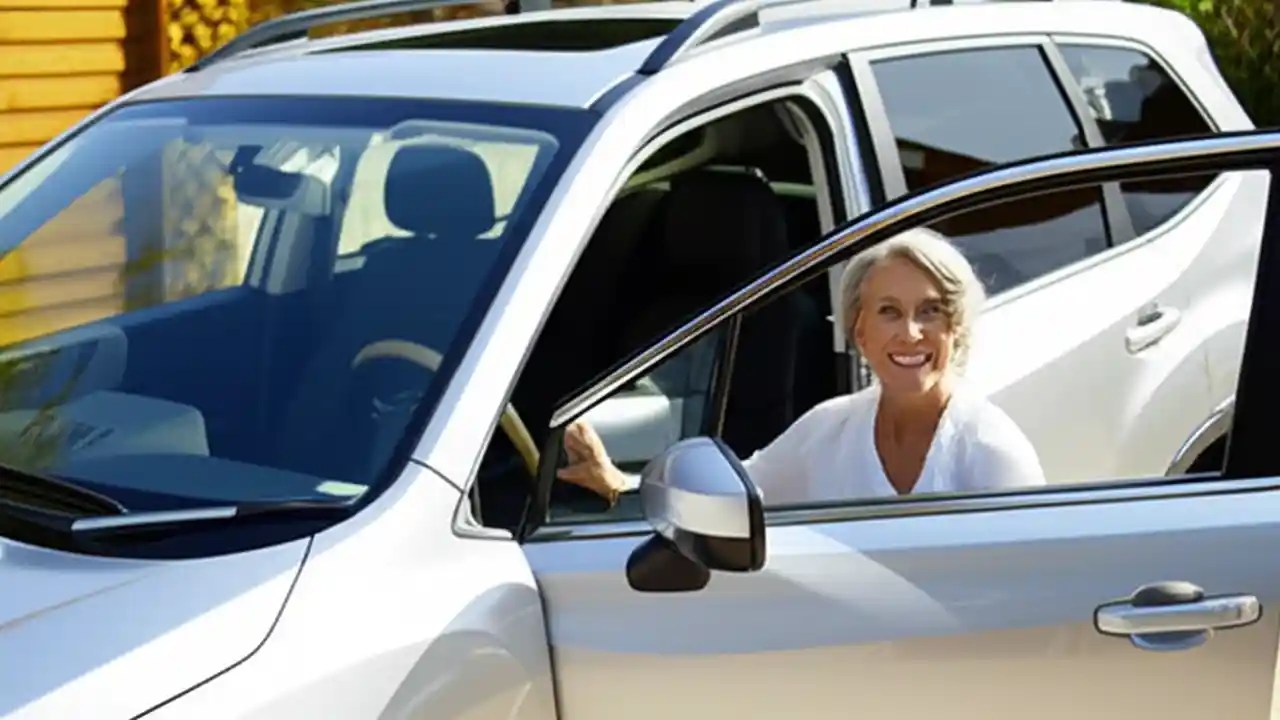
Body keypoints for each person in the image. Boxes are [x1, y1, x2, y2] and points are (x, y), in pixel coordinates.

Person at [556, 227, 1046, 507]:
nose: (911, 333)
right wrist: (619, 484)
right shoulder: (828, 428)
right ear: (860, 332)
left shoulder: (990, 450)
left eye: (931, 311)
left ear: (956, 328)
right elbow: (735, 495)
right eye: (889, 312)